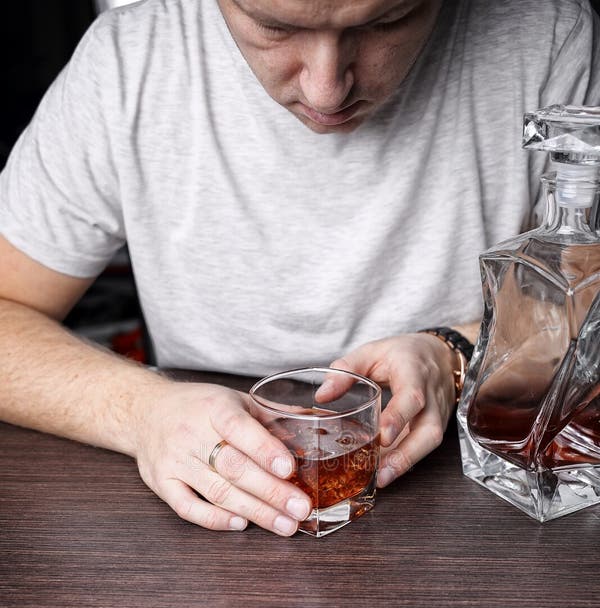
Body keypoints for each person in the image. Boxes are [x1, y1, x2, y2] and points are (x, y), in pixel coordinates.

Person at [0, 0, 598, 537]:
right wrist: (143, 412)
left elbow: (586, 309)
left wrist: (452, 355)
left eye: (385, 21)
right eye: (273, 26)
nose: (326, 91)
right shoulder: (130, 58)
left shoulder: (548, 36)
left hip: (463, 524)